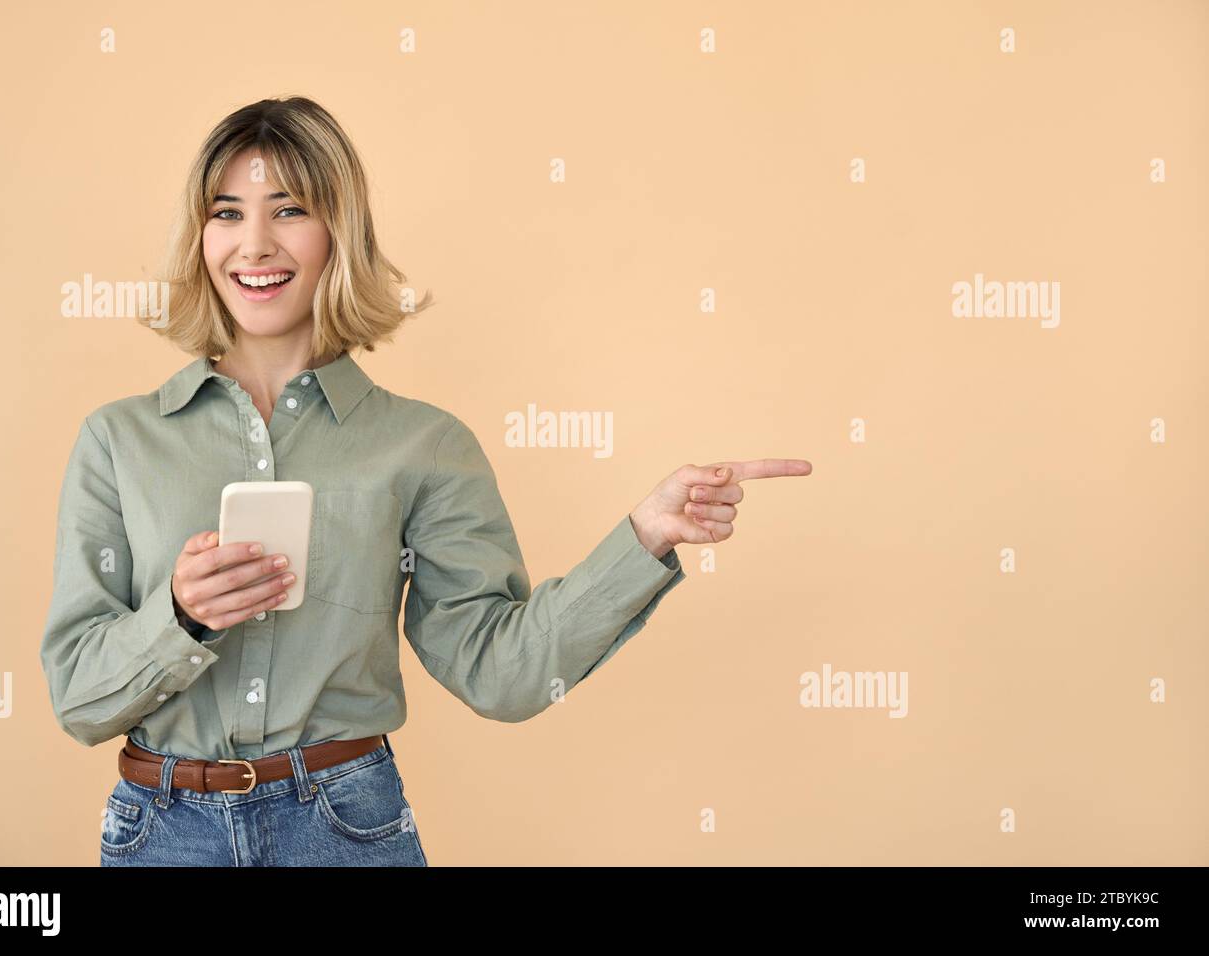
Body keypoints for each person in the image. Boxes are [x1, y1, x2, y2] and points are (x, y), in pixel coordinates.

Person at [40, 95, 812, 867]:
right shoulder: (118, 440)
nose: (255, 244)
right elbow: (78, 700)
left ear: (338, 233)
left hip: (344, 830)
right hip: (162, 835)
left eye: (290, 210)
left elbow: (502, 674)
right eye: (227, 213)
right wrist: (179, 615)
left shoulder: (425, 446)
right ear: (201, 235)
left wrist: (644, 537)